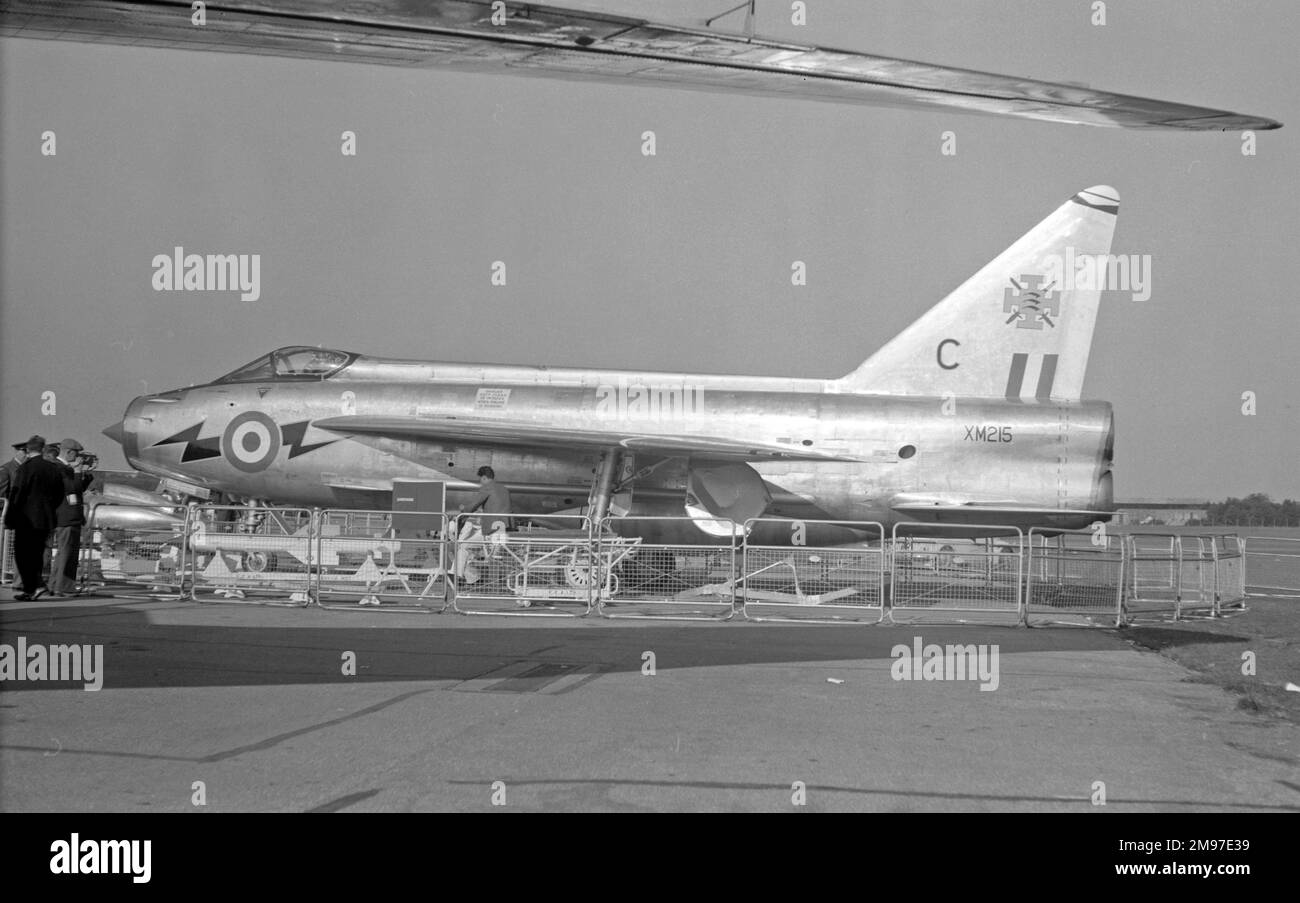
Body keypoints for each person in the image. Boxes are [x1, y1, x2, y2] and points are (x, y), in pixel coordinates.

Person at [4, 436, 67, 600]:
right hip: (45, 519)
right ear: (42, 448)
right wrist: (49, 509)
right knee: (37, 554)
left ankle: (34, 587)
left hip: (26, 520)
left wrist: (10, 518)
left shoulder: (26, 468)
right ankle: (33, 588)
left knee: (23, 555)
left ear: (27, 449)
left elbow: (17, 493)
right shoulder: (52, 468)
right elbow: (60, 494)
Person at [49, 438, 95, 596]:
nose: (77, 457)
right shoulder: (58, 467)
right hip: (66, 516)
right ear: (68, 452)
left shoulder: (62, 467)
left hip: (68, 516)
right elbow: (71, 489)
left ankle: (55, 585)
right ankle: (64, 587)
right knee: (68, 554)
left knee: (63, 553)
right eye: (76, 454)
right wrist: (76, 471)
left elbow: (78, 489)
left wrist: (86, 475)